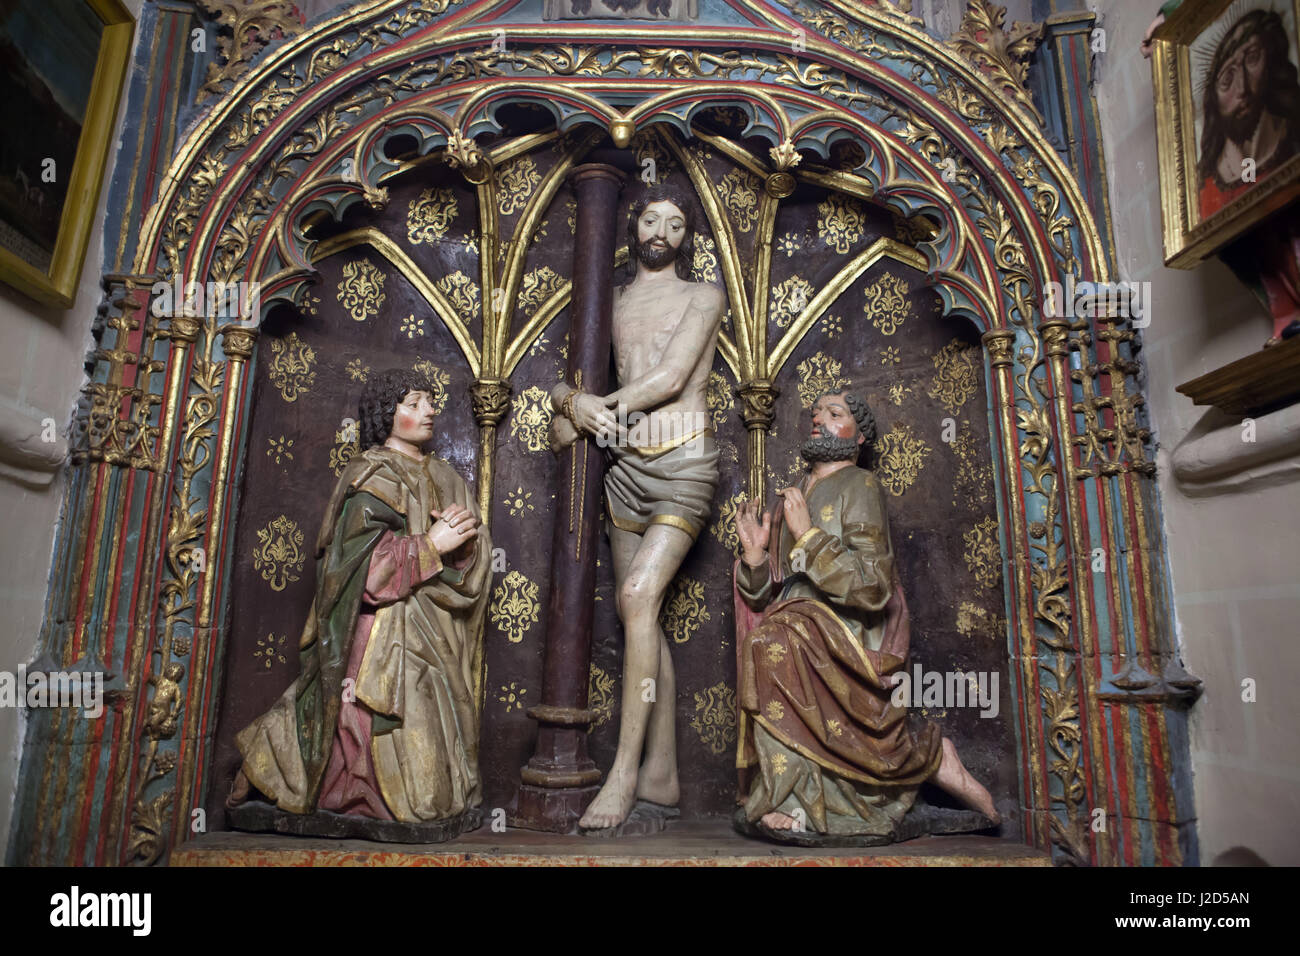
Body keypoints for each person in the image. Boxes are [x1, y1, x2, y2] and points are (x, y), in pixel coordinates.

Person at [227, 368, 492, 832]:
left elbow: (471, 563)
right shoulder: (370, 476)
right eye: (414, 402)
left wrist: (464, 547)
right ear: (386, 415)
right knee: (392, 768)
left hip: (438, 632)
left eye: (430, 401)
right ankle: (280, 765)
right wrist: (430, 545)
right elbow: (353, 573)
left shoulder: (448, 477)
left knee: (439, 792)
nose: (429, 410)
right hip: (381, 637)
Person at [732, 389, 999, 842]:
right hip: (798, 620)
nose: (819, 419)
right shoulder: (793, 494)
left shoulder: (861, 485)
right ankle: (792, 796)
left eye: (835, 414)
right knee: (771, 637)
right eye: (817, 413)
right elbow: (765, 595)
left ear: (858, 437)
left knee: (771, 643)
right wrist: (757, 556)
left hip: (850, 628)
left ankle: (923, 761)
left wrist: (808, 535)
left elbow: (873, 584)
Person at [550, 184, 724, 833]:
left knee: (637, 595)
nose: (661, 230)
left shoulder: (702, 295)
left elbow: (672, 377)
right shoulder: (611, 301)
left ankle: (623, 774)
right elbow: (568, 375)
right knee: (637, 612)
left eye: (675, 223)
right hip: (623, 470)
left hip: (682, 460)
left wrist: (593, 409)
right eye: (651, 218)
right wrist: (570, 399)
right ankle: (662, 772)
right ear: (632, 227)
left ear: (687, 236)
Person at [1197, 8, 1300, 218]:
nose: (1242, 88)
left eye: (1252, 58)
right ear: (1213, 100)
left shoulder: (1294, 135)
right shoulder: (1205, 191)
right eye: (1227, 79)